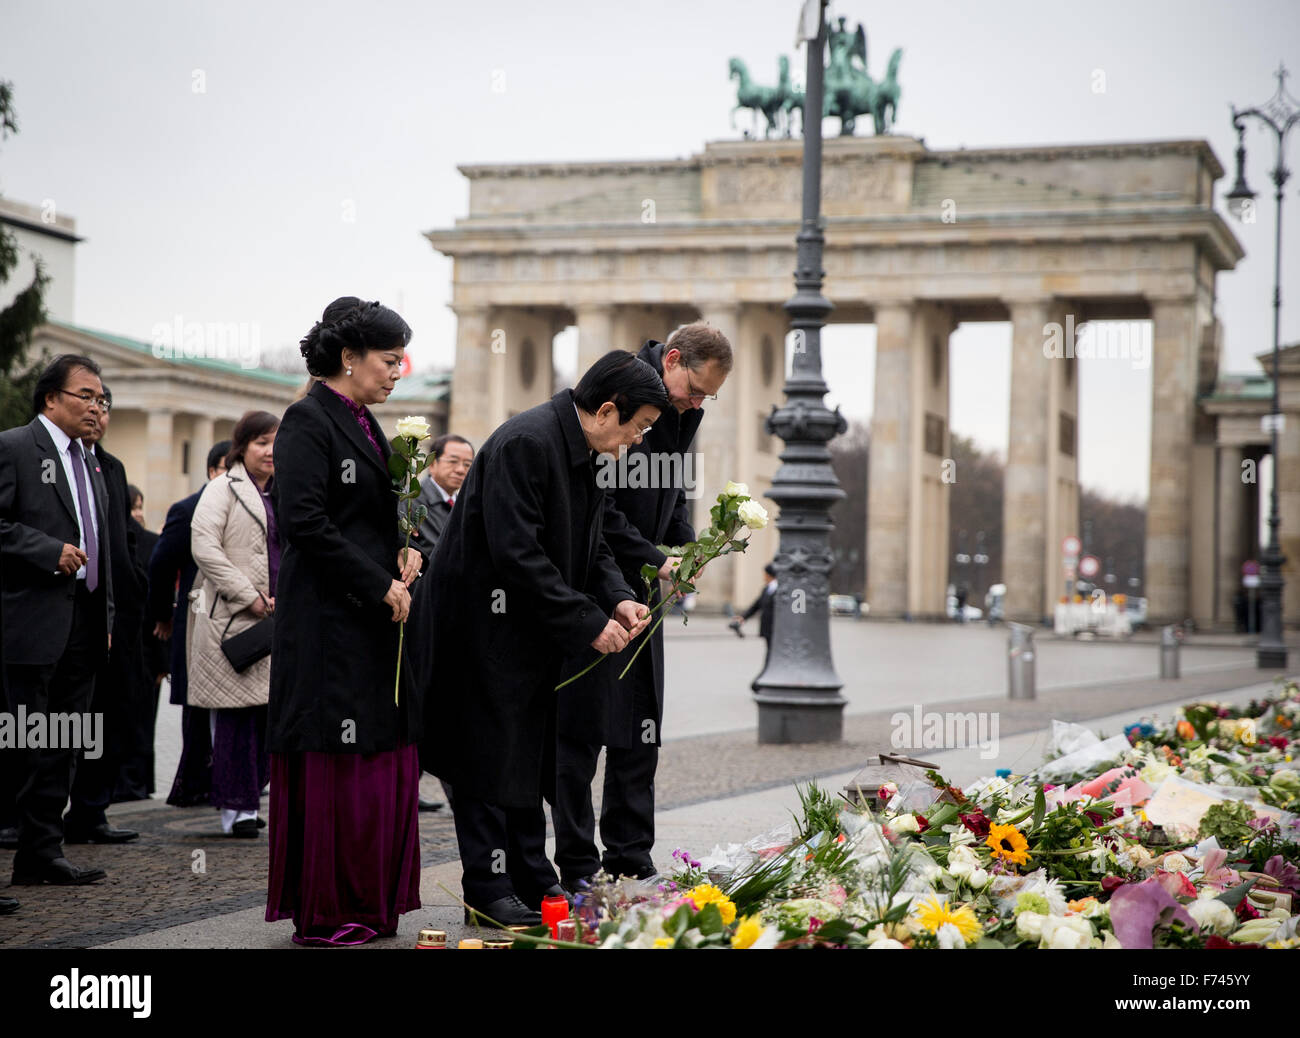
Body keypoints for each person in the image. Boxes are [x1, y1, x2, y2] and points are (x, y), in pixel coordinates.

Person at [414, 349, 665, 927]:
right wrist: (587, 621)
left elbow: (594, 544)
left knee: (527, 757)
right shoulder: (527, 443)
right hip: (478, 627)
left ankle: (529, 876)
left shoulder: (584, 450)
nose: (639, 443)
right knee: (483, 758)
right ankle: (487, 886)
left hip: (527, 632)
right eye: (640, 428)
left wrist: (618, 596)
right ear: (606, 411)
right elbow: (516, 555)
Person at [265, 297, 424, 946]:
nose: (397, 373)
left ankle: (369, 900)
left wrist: (402, 551)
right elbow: (306, 523)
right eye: (389, 361)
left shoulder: (361, 421)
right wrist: (376, 581)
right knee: (341, 759)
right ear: (349, 358)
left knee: (376, 754)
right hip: (329, 625)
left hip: (369, 621)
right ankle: (331, 908)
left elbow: (365, 518)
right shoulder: (307, 420)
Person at [552, 323, 732, 891]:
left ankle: (630, 850)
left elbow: (673, 493)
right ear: (672, 360)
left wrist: (683, 548)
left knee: (641, 722)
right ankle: (577, 858)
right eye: (696, 390)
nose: (698, 402)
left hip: (648, 581)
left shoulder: (683, 413)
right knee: (583, 726)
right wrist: (656, 557)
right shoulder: (626, 395)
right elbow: (600, 510)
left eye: (708, 398)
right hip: (597, 577)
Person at [0, 354, 114, 886]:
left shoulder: (91, 461)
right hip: (30, 626)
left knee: (65, 744)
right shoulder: (16, 447)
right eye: (85, 396)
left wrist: (107, 614)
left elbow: (103, 544)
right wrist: (49, 550)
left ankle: (42, 854)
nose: (96, 406)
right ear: (51, 399)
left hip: (85, 629)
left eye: (101, 398)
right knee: (25, 746)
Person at [188, 411, 279, 836]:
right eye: (262, 441)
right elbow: (203, 546)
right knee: (234, 720)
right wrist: (248, 595)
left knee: (265, 719)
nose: (271, 451)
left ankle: (249, 800)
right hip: (233, 618)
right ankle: (235, 810)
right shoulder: (222, 488)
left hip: (276, 622)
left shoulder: (283, 492)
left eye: (278, 442)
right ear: (242, 446)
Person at [65, 385, 145, 841]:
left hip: (116, 615)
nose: (98, 412)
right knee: (58, 721)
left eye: (106, 406)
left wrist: (133, 584)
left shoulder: (111, 467)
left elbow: (125, 539)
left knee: (108, 715)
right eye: (90, 402)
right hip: (66, 608)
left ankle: (91, 813)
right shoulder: (49, 462)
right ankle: (27, 818)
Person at [148, 441, 230, 807]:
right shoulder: (188, 509)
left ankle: (227, 781)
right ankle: (196, 781)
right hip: (196, 621)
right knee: (199, 708)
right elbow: (161, 566)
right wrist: (163, 613)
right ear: (213, 471)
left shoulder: (263, 504)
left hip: (243, 624)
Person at [400, 432, 474, 813]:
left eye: (467, 464)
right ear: (432, 463)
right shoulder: (412, 502)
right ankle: (406, 788)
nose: (461, 470)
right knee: (420, 705)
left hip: (455, 625)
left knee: (449, 712)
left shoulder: (467, 504)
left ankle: (454, 789)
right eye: (453, 462)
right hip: (420, 623)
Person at [121, 484, 169, 800]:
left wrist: (163, 662)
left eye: (141, 506)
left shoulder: (152, 543)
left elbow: (162, 610)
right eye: (133, 507)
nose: (138, 513)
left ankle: (140, 784)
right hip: (120, 647)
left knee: (144, 724)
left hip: (148, 650)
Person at [732, 562, 778, 688]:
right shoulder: (767, 589)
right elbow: (756, 606)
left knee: (772, 657)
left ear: (769, 575)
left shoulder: (781, 590)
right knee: (771, 655)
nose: (763, 576)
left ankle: (760, 683)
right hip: (767, 630)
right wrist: (743, 618)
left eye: (765, 574)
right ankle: (764, 682)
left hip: (777, 631)